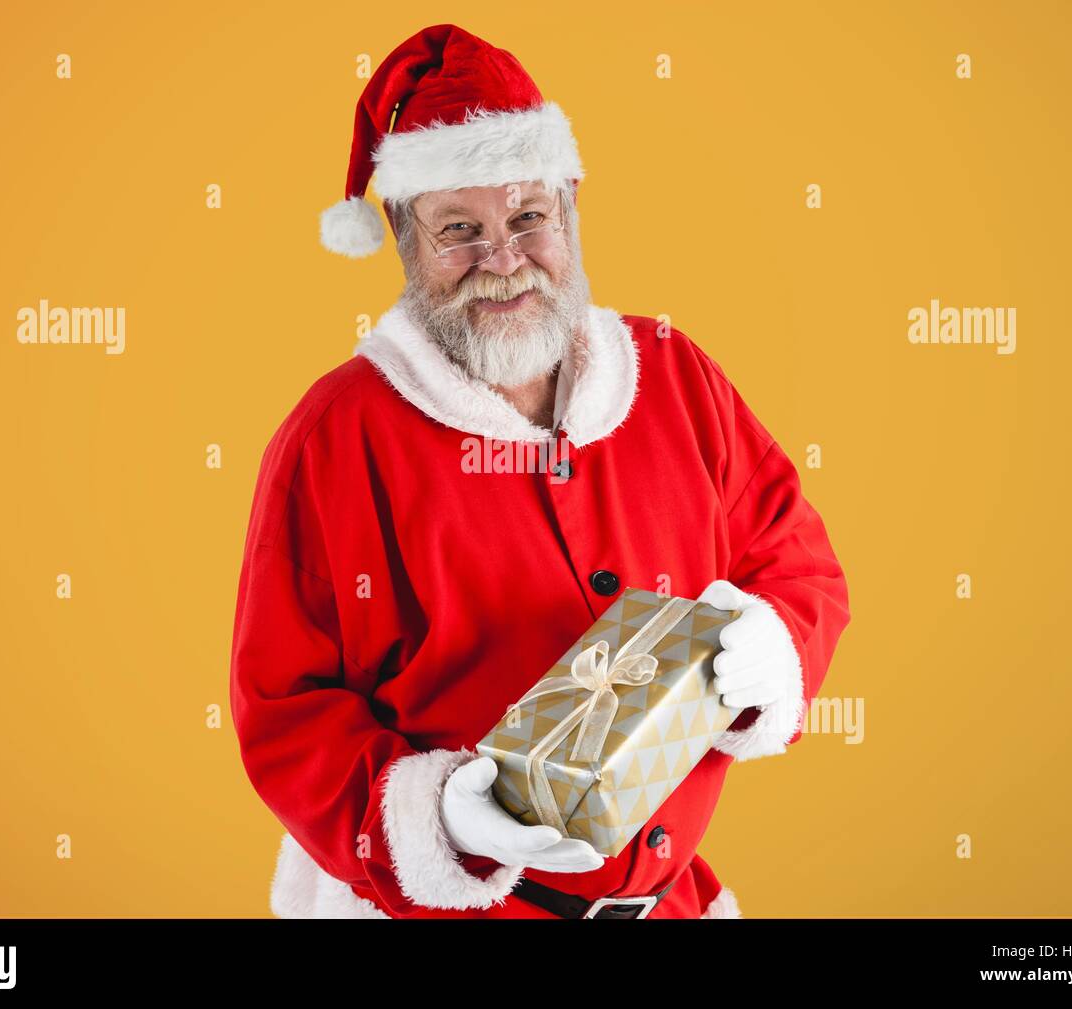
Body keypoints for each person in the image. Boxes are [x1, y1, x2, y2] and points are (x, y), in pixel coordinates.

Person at [229, 23, 851, 919]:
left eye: (528, 217)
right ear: (405, 240)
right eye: (460, 231)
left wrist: (776, 643)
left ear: (569, 209)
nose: (505, 259)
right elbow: (282, 711)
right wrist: (442, 815)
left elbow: (796, 561)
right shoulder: (333, 437)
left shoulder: (675, 374)